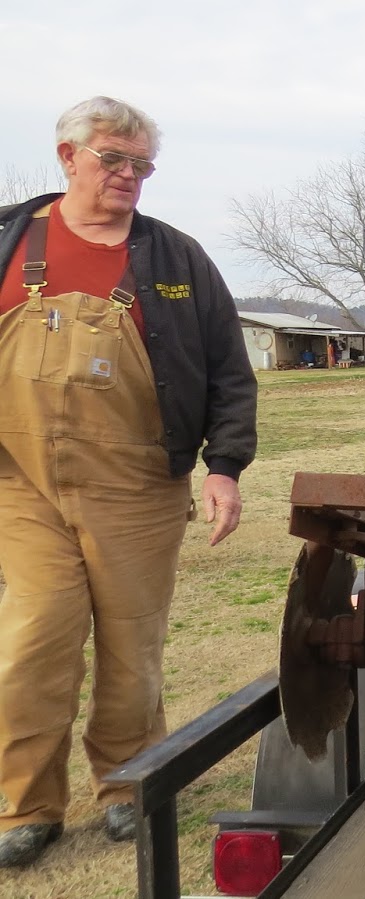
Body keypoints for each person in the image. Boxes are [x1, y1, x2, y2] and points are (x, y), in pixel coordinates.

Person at [0, 97, 257, 868]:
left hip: (137, 484)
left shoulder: (176, 260)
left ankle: (125, 787)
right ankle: (24, 803)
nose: (128, 176)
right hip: (24, 487)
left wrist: (224, 467)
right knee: (32, 640)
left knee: (132, 646)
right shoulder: (10, 239)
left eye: (141, 165)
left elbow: (228, 373)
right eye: (113, 158)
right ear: (68, 156)